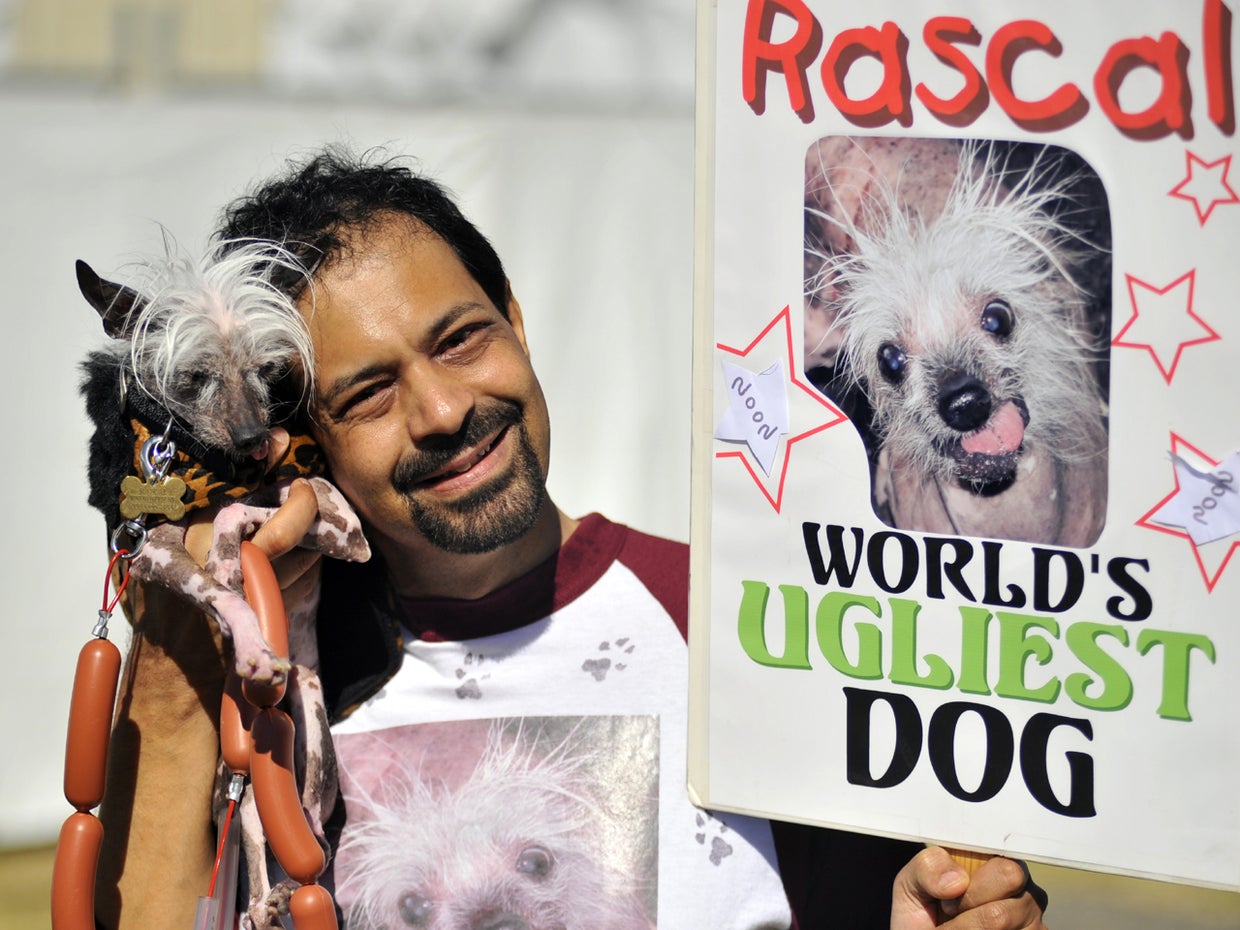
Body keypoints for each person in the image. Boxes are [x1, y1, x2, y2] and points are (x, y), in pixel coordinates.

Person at [95, 147, 1049, 930]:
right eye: (368, 394)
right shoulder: (263, 706)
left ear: (514, 315)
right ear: (298, 440)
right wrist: (181, 669)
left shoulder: (745, 625)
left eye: (461, 337)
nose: (442, 409)